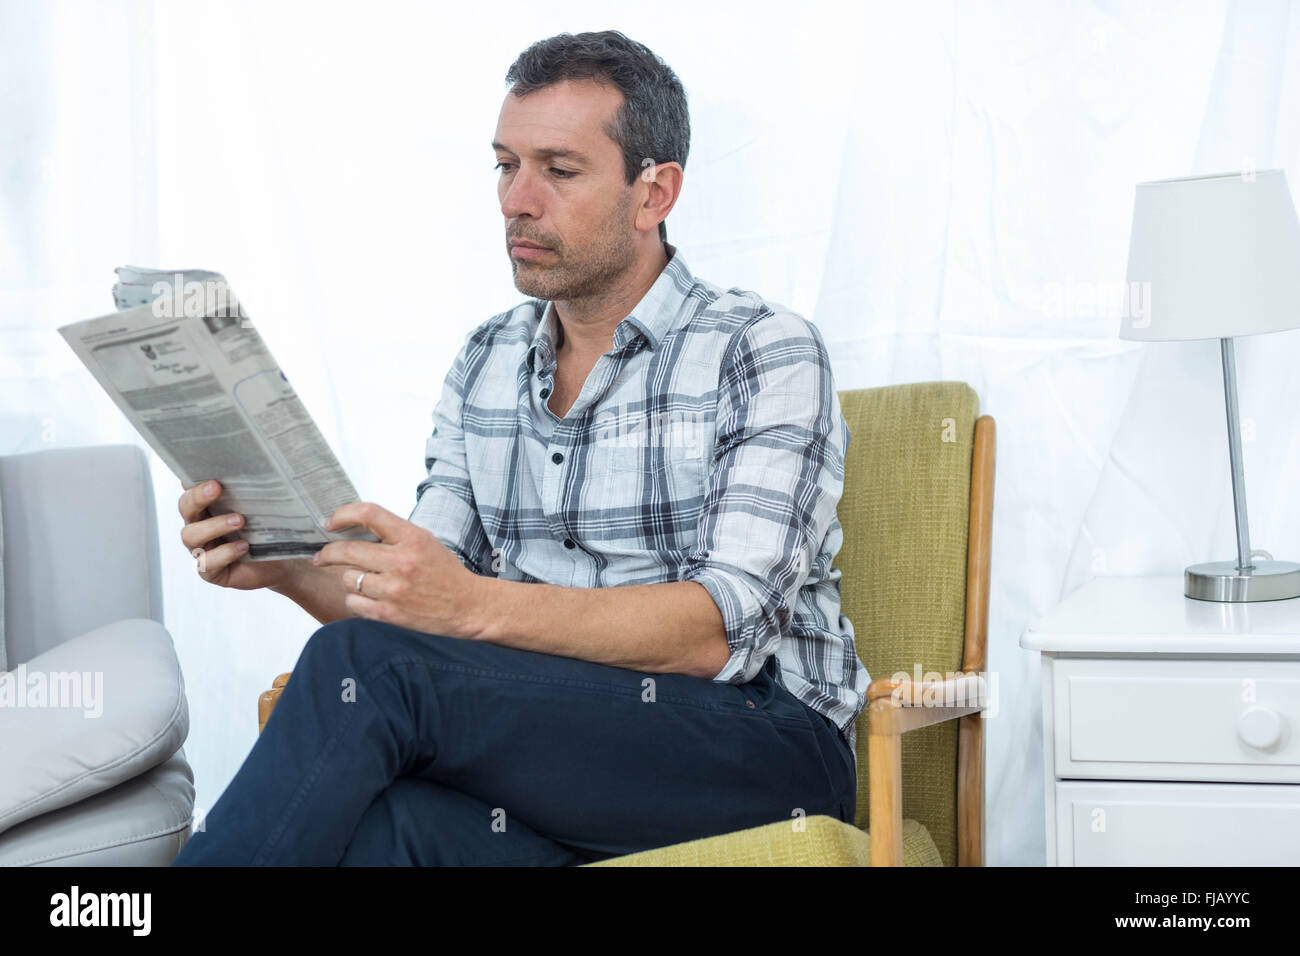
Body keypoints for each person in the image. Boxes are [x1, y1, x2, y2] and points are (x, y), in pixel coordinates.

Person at [172, 29, 867, 866]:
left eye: (558, 170)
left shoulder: (763, 347)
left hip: (762, 747)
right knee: (378, 829)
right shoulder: (487, 360)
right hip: (564, 752)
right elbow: (415, 609)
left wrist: (469, 605)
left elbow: (720, 633)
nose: (516, 200)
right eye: (506, 165)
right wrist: (285, 565)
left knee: (369, 671)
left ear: (655, 194)